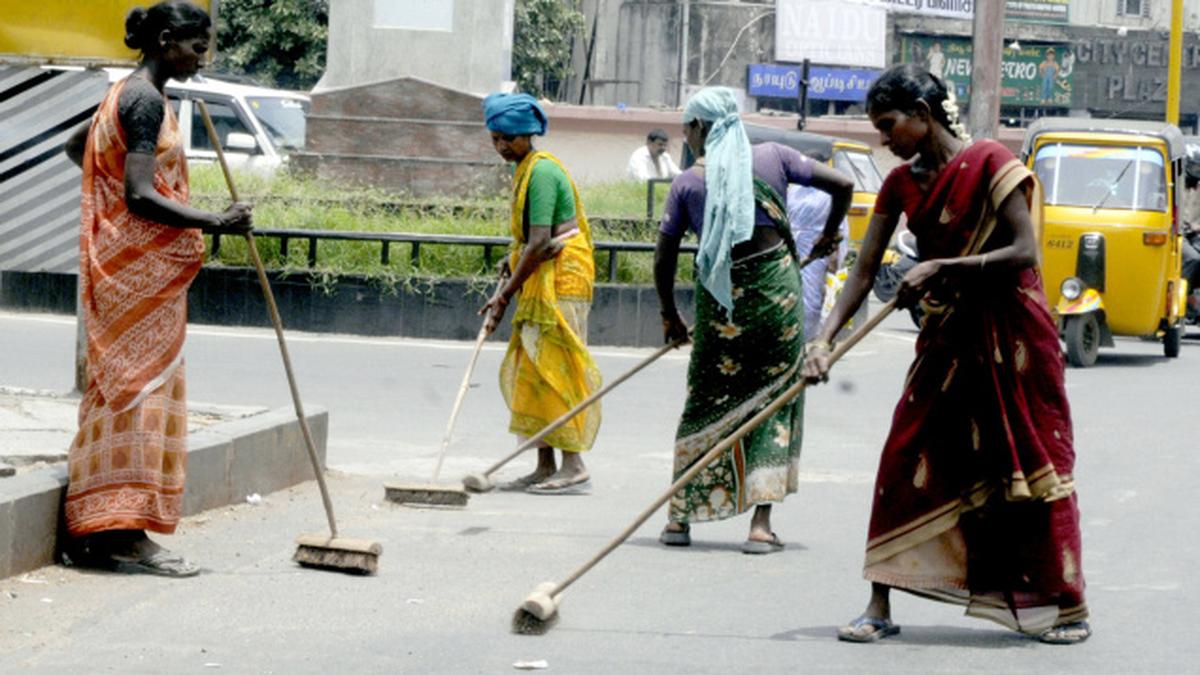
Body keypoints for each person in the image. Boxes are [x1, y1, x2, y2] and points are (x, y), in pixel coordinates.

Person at [803, 64, 1091, 645]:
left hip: (1013, 337)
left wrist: (944, 266)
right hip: (948, 339)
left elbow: (1025, 251)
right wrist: (823, 340)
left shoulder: (991, 163)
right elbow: (863, 270)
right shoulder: (899, 184)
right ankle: (879, 602)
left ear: (922, 114)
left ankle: (1067, 606)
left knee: (1029, 462)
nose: (884, 138)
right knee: (903, 457)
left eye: (889, 124)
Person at [60, 1, 253, 576]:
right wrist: (216, 221)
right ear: (166, 40)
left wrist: (108, 192)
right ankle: (124, 535)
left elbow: (79, 147)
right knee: (138, 396)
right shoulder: (144, 101)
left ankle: (99, 529)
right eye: (197, 46)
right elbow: (140, 194)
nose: (202, 58)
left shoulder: (124, 95)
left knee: (121, 393)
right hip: (136, 275)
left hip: (128, 270)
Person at [655, 87, 853, 553]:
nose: (686, 138)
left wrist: (670, 316)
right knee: (775, 400)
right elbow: (843, 185)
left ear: (699, 128)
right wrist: (829, 236)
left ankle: (680, 518)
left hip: (719, 307)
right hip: (775, 302)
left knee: (705, 400)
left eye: (686, 129)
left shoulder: (687, 183)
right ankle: (760, 527)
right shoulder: (775, 157)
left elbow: (663, 258)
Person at [478, 92, 602, 495]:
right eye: (495, 138)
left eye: (508, 138)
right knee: (533, 371)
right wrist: (511, 262)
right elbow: (528, 245)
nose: (501, 146)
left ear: (527, 135)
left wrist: (503, 296)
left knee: (556, 368)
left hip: (562, 281)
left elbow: (539, 243)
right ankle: (544, 465)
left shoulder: (543, 171)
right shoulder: (524, 169)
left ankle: (574, 465)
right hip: (540, 273)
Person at [787, 183, 850, 339]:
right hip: (793, 247)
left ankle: (810, 337)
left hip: (816, 248)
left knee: (811, 298)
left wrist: (834, 258)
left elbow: (839, 228)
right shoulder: (795, 191)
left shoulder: (829, 193)